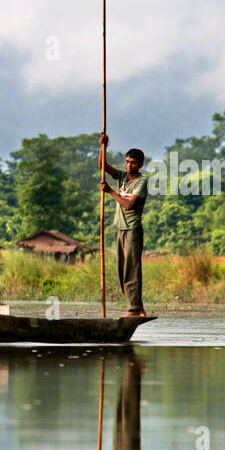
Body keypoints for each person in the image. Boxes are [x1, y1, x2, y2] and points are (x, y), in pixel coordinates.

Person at [98, 133, 147, 317]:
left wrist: (110, 191)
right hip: (119, 229)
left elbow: (128, 204)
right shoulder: (122, 177)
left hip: (132, 230)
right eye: (127, 162)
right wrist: (103, 146)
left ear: (140, 165)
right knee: (121, 268)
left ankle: (134, 309)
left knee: (131, 268)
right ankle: (135, 307)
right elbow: (103, 166)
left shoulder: (141, 182)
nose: (129, 165)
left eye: (133, 163)